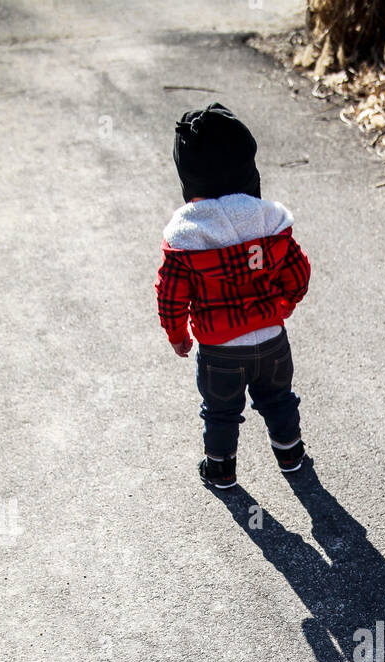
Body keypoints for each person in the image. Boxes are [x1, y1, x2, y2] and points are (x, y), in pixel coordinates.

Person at [155, 103, 311, 490]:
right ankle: (290, 452)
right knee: (278, 399)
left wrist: (178, 334)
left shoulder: (187, 236)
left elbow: (171, 295)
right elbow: (299, 273)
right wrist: (282, 305)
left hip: (220, 349)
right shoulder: (268, 221)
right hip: (272, 340)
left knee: (221, 412)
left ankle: (221, 468)